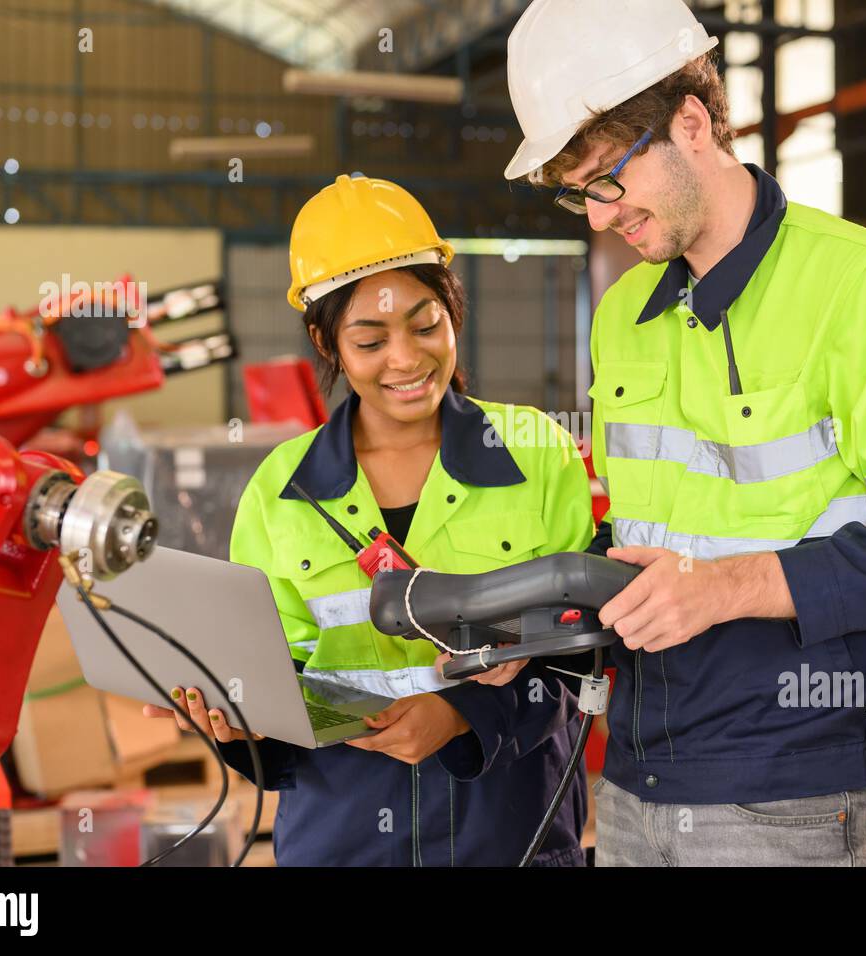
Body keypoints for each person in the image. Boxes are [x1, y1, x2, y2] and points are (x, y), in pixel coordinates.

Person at [498, 0, 866, 866]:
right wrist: (535, 630)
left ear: (691, 124)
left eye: (606, 181)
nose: (597, 217)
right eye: (577, 194)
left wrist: (725, 588)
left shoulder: (864, 284)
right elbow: (649, 540)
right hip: (634, 781)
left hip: (789, 793)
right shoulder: (623, 316)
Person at [144, 173, 594, 866]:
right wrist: (236, 732)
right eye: (370, 339)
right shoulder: (281, 491)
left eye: (425, 325)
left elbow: (579, 657)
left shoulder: (537, 454)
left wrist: (461, 718)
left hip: (506, 832)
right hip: (341, 838)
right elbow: (276, 685)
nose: (407, 359)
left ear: (453, 311)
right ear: (327, 346)